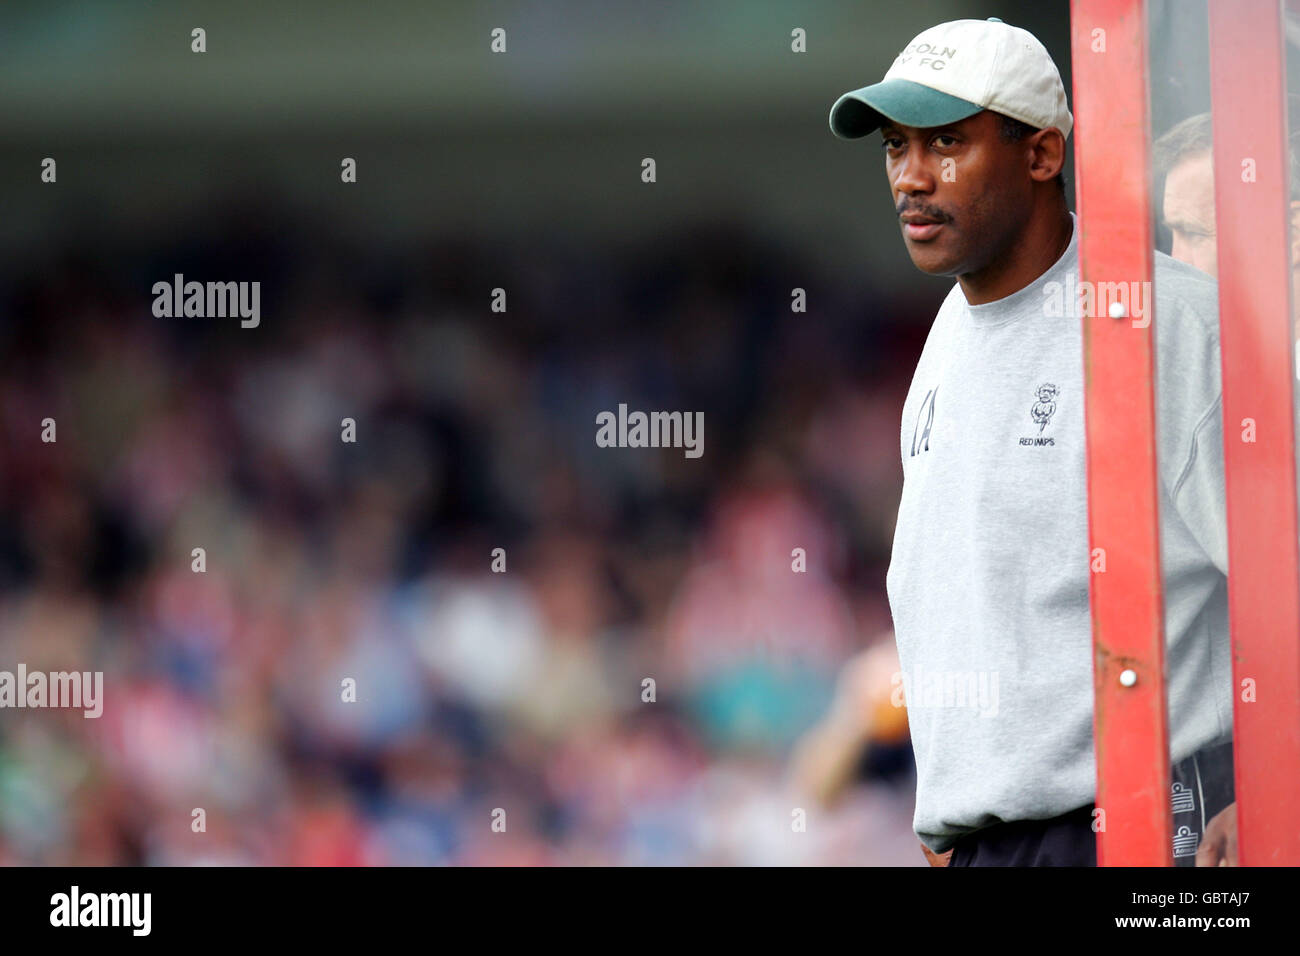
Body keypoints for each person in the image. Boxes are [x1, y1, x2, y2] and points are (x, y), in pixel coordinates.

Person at [828, 17, 1236, 866]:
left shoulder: (1175, 328)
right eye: (896, 147)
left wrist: (1277, 787)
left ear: (1043, 155)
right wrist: (948, 812)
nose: (911, 176)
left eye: (946, 142)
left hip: (1150, 828)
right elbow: (954, 595)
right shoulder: (944, 338)